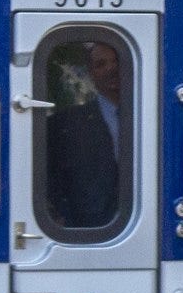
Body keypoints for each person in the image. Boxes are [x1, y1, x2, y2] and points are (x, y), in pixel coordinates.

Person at [45, 37, 127, 231]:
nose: (111, 69)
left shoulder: (152, 114)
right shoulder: (65, 123)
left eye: (117, 61)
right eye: (101, 64)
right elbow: (51, 178)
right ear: (91, 74)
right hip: (86, 233)